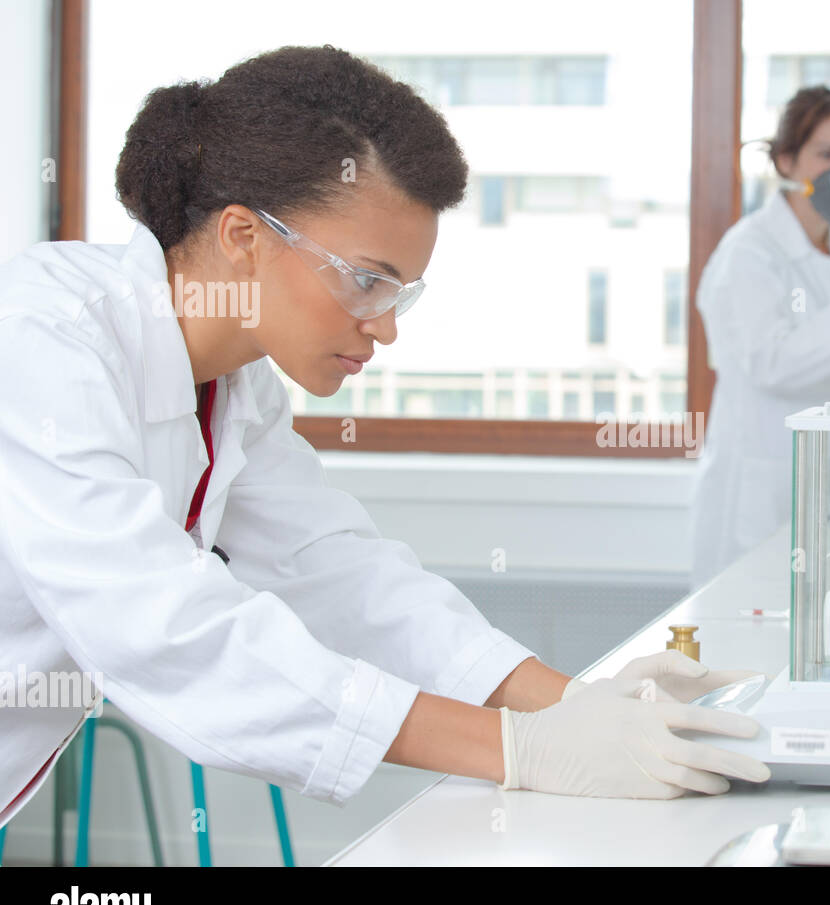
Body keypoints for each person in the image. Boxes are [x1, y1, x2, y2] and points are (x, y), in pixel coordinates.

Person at [0, 45, 771, 828]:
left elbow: (343, 579)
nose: (387, 326)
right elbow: (162, 627)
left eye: (401, 292)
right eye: (366, 281)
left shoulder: (238, 386)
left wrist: (581, 704)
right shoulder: (45, 339)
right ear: (242, 236)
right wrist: (523, 749)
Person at [689, 86, 830, 589]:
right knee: (747, 634)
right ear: (787, 159)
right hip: (758, 493)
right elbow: (773, 361)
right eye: (826, 154)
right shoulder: (750, 252)